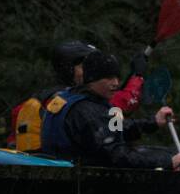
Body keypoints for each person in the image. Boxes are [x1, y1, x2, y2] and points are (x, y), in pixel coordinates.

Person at [39, 50, 180, 169]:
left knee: (168, 152)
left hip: (78, 171)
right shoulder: (87, 111)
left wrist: (153, 122)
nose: (116, 83)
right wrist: (168, 161)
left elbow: (116, 128)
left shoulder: (85, 99)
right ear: (92, 79)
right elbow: (117, 156)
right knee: (168, 155)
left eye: (117, 77)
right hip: (81, 183)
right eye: (109, 78)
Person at [9, 40, 148, 152]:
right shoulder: (73, 103)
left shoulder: (40, 98)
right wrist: (137, 77)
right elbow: (125, 102)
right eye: (86, 66)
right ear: (68, 69)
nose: (93, 70)